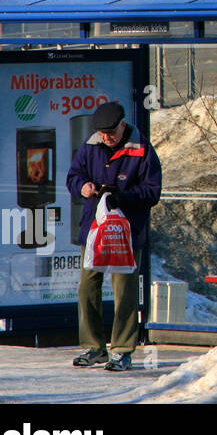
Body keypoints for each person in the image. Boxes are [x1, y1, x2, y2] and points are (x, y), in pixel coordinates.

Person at [65, 101, 162, 371]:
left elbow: (153, 191)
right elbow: (73, 175)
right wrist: (82, 186)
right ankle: (93, 346)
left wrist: (124, 197)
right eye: (103, 133)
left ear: (123, 126)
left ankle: (122, 350)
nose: (107, 138)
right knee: (87, 286)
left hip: (128, 231)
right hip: (94, 229)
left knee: (125, 290)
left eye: (112, 133)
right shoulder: (91, 144)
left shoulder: (141, 148)